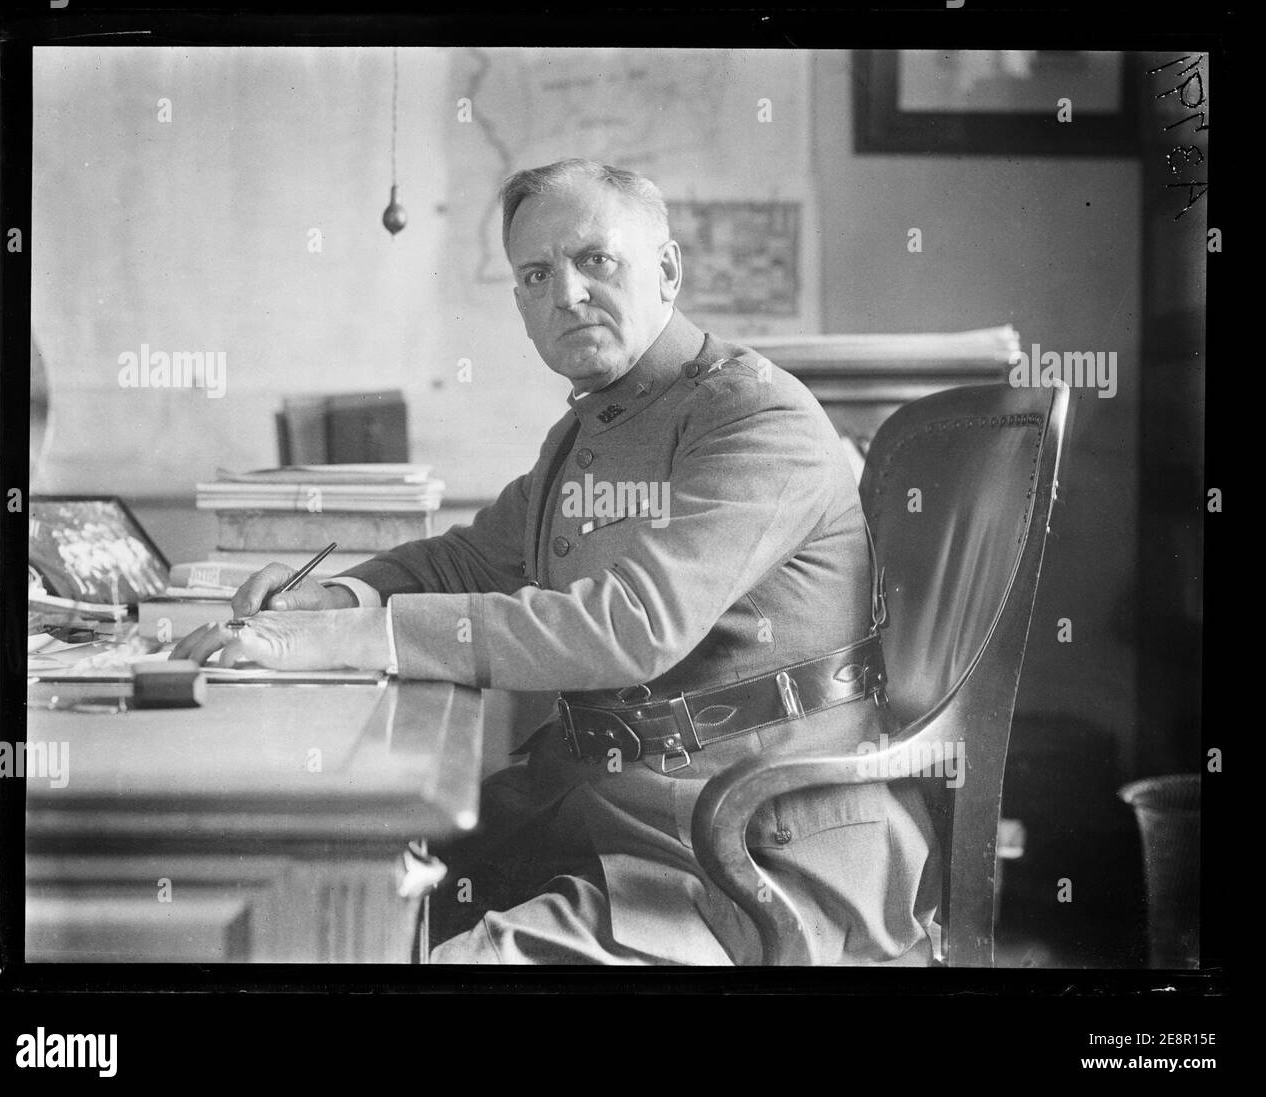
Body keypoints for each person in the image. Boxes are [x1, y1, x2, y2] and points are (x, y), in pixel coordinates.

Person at [173, 158, 940, 965]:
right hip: (612, 808)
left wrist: (342, 642)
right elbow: (472, 556)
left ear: (668, 269)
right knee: (333, 895)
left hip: (750, 845)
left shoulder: (753, 417)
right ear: (521, 304)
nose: (565, 294)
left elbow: (633, 625)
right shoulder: (584, 432)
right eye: (537, 275)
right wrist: (330, 596)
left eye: (594, 260)